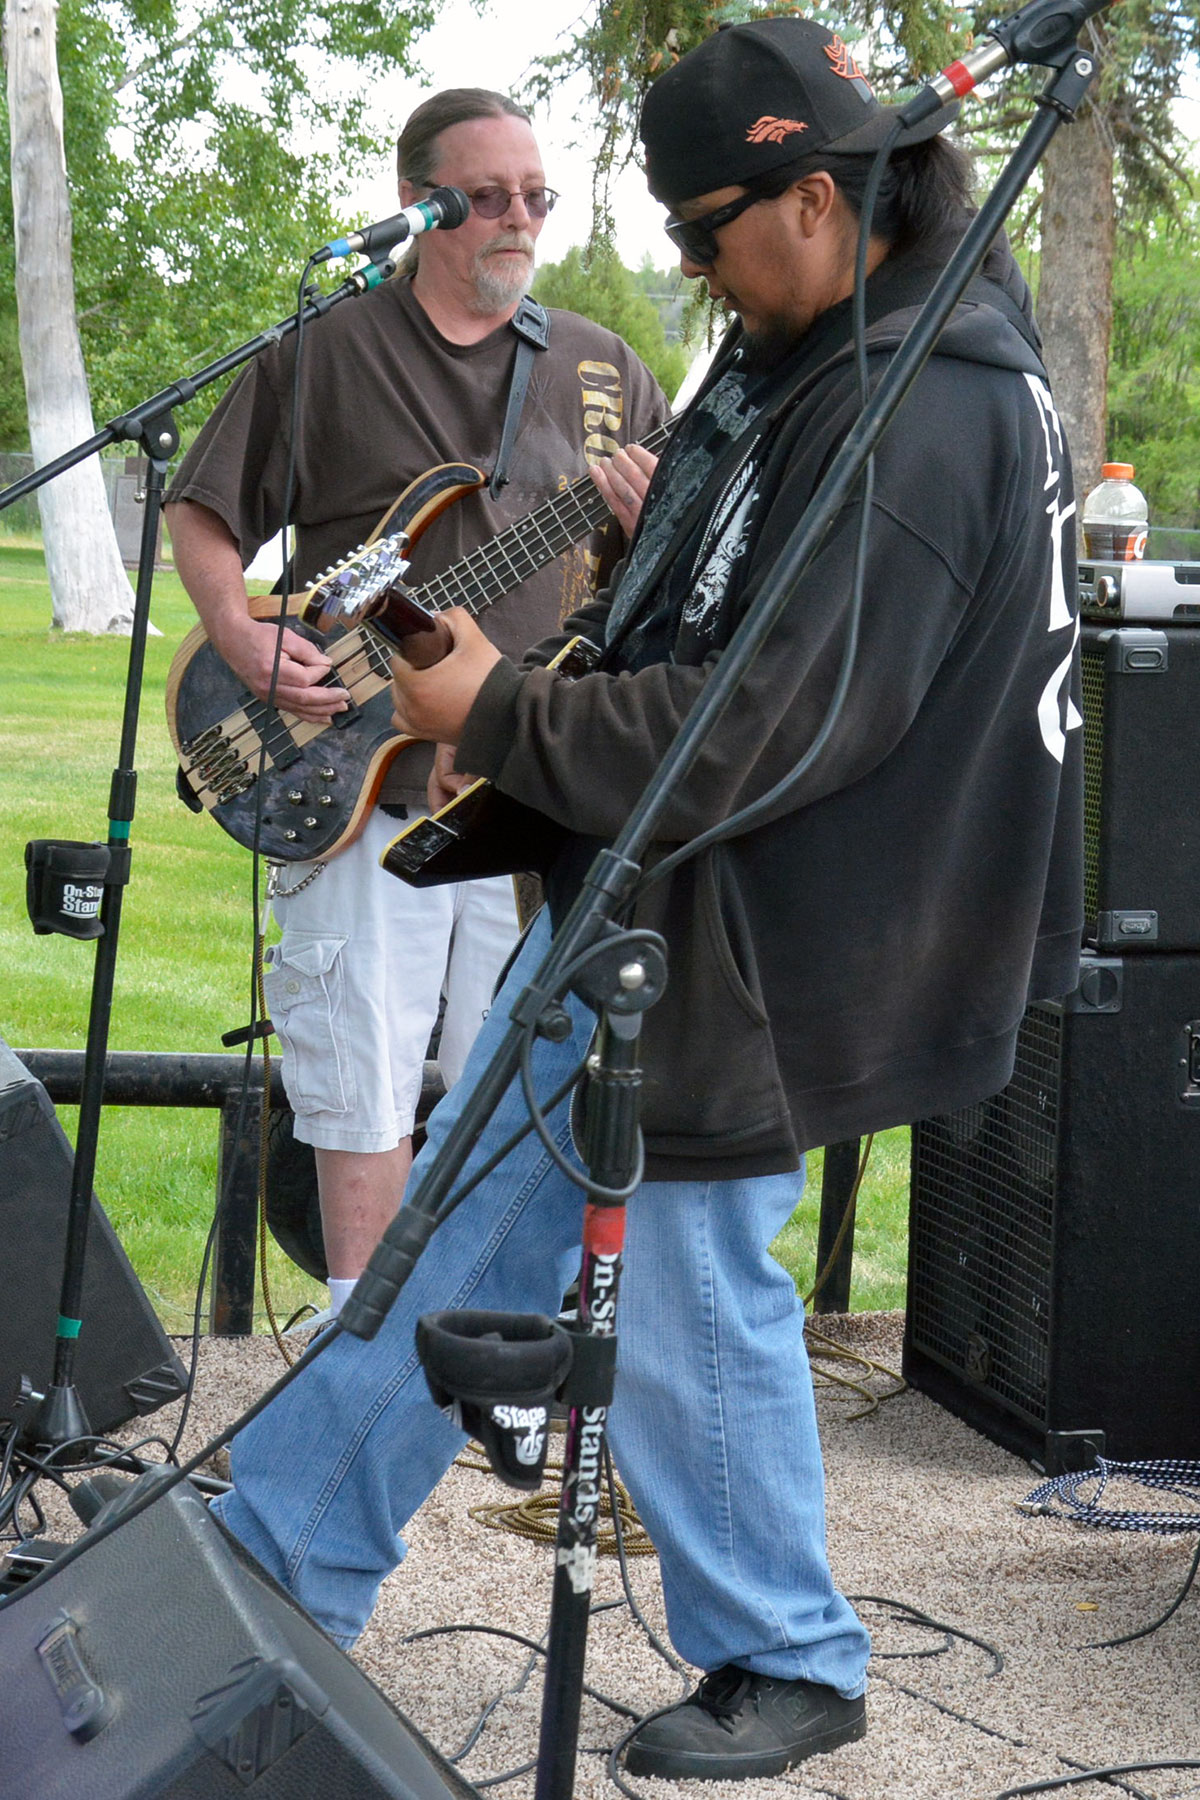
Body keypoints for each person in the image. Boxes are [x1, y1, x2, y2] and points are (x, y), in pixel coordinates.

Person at [210, 20, 1083, 1781]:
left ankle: (788, 1652)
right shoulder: (813, 358)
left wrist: (504, 710)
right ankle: (270, 1558)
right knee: (457, 1242)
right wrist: (555, 666)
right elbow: (702, 604)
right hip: (654, 908)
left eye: (702, 230)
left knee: (689, 1285)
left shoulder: (930, 408)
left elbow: (781, 719)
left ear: (819, 203)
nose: (686, 266)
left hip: (765, 941)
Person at [165, 90, 668, 1319]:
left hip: (524, 792)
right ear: (419, 203)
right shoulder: (325, 348)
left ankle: (491, 1352)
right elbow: (203, 512)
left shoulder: (604, 368)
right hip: (357, 773)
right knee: (358, 1076)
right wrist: (239, 627)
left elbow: (679, 563)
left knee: (514, 1087)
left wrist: (659, 522)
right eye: (487, 197)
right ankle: (355, 1339)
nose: (518, 219)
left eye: (537, 198)